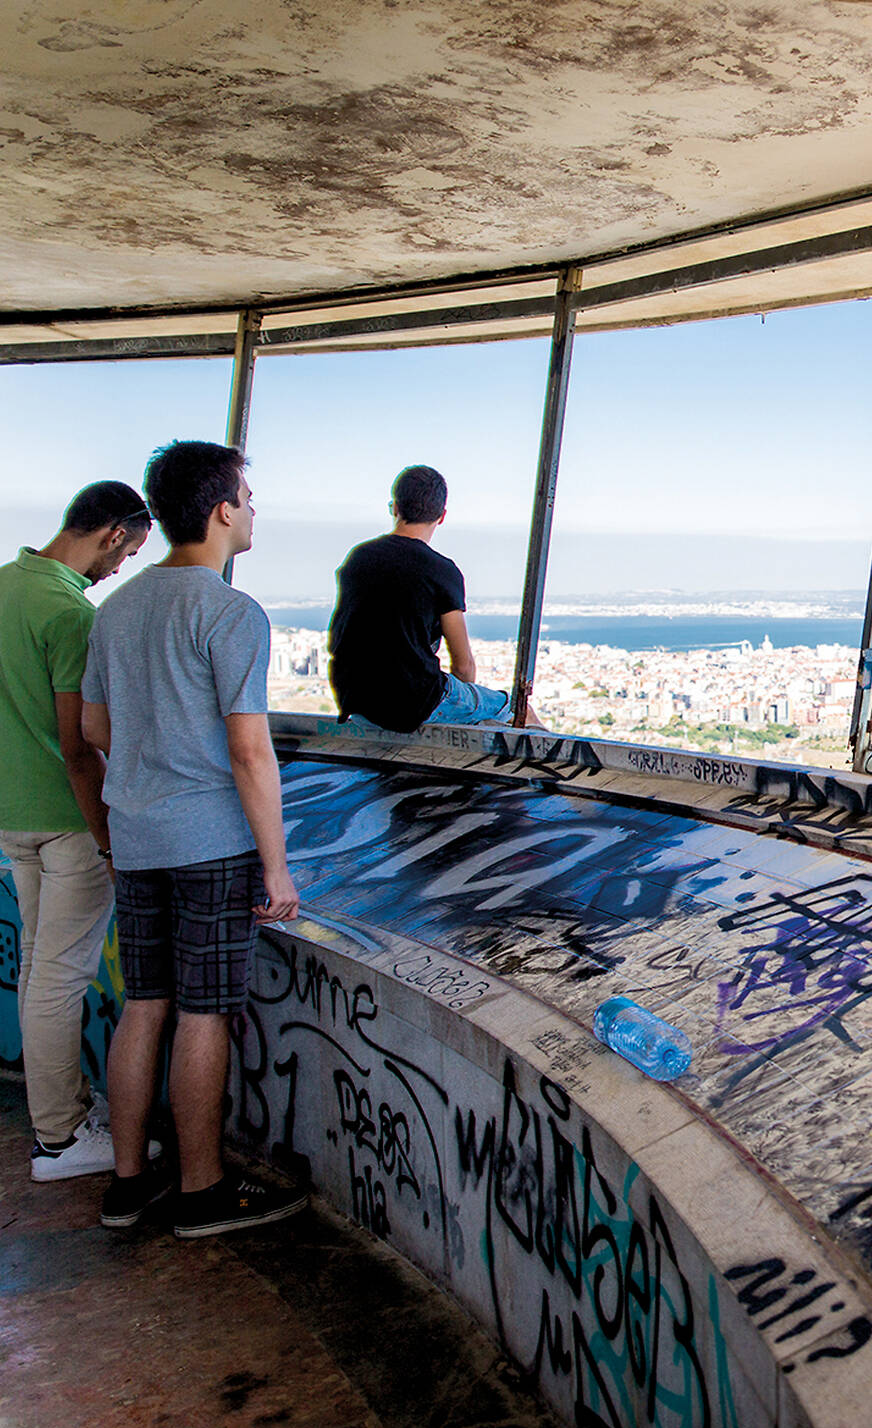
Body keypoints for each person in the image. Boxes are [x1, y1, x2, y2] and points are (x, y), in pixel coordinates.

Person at [82, 440, 306, 1235]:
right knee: (204, 1014)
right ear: (220, 510)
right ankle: (203, 1192)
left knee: (143, 1006)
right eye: (246, 496)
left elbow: (94, 724)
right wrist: (275, 868)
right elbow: (250, 751)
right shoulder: (229, 612)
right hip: (209, 844)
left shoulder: (117, 609)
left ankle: (128, 1181)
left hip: (136, 836)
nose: (251, 510)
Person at [0, 482, 153, 1181]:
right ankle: (60, 1137)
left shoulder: (2, 584)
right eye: (129, 553)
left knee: (36, 970)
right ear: (111, 534)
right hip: (66, 821)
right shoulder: (68, 614)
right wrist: (107, 837)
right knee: (58, 978)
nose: (120, 569)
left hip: (13, 813)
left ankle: (64, 1115)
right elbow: (81, 744)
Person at [326, 464, 541, 730]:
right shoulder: (441, 571)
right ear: (442, 516)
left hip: (356, 701)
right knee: (517, 710)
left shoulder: (358, 557)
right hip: (413, 703)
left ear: (395, 507)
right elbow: (463, 665)